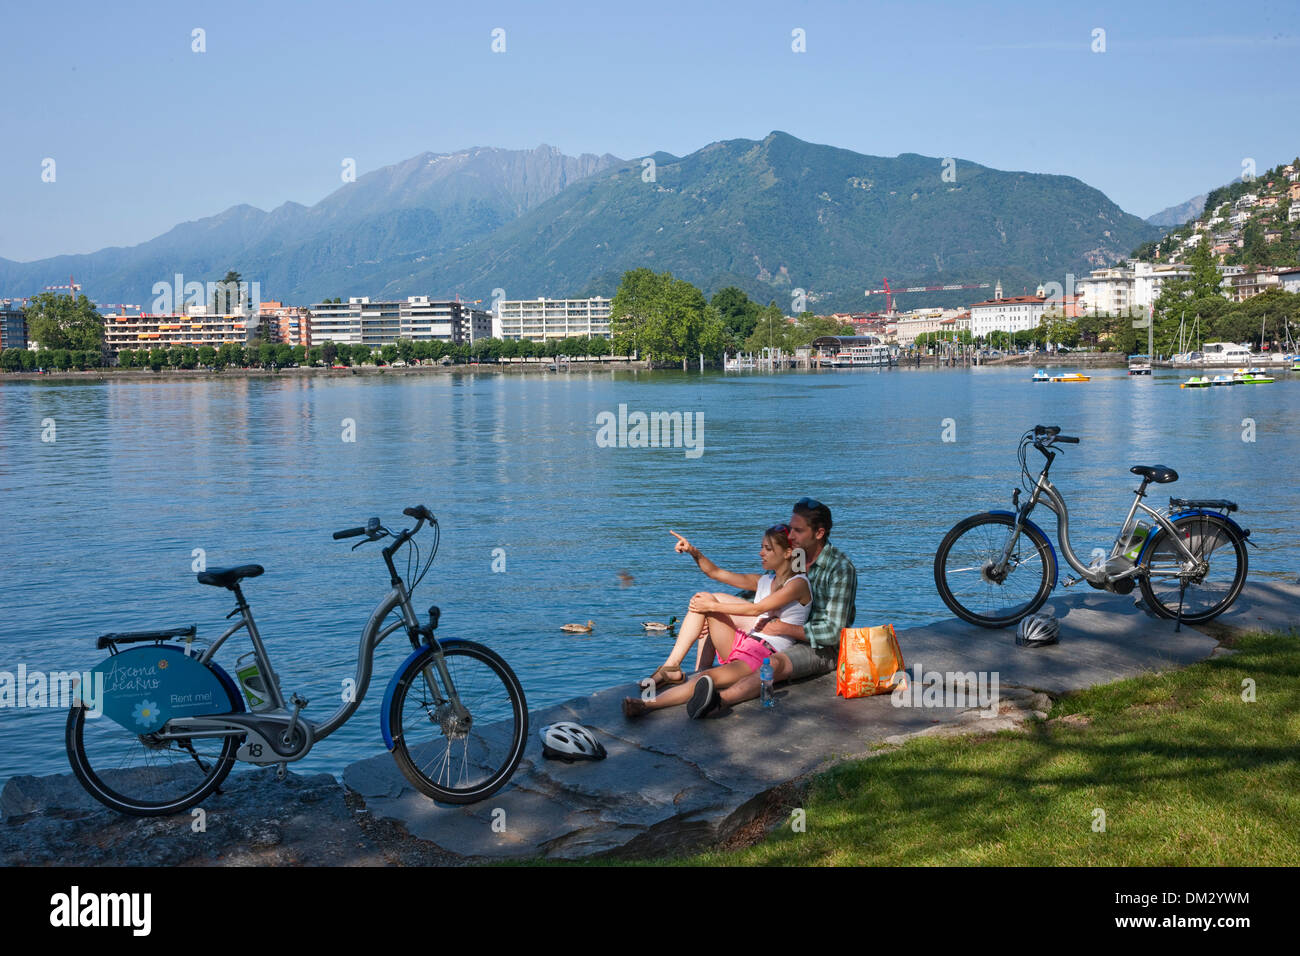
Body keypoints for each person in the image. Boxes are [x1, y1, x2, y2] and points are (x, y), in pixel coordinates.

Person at [639, 497, 858, 718]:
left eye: (798, 531)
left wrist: (783, 628)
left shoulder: (839, 569)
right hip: (771, 633)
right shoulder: (792, 560)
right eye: (790, 530)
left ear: (819, 533)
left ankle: (718, 700)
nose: (791, 536)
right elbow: (753, 591)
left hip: (817, 646)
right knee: (709, 601)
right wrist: (714, 611)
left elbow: (834, 633)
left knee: (771, 664)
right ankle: (678, 669)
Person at [623, 524, 811, 718]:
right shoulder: (763, 580)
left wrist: (711, 607)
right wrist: (693, 552)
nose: (761, 553)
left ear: (788, 553)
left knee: (706, 676)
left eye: (768, 549)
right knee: (703, 597)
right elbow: (716, 573)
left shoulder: (798, 583)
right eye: (762, 547)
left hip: (762, 655)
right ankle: (671, 667)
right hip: (744, 641)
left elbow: (757, 609)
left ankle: (647, 705)